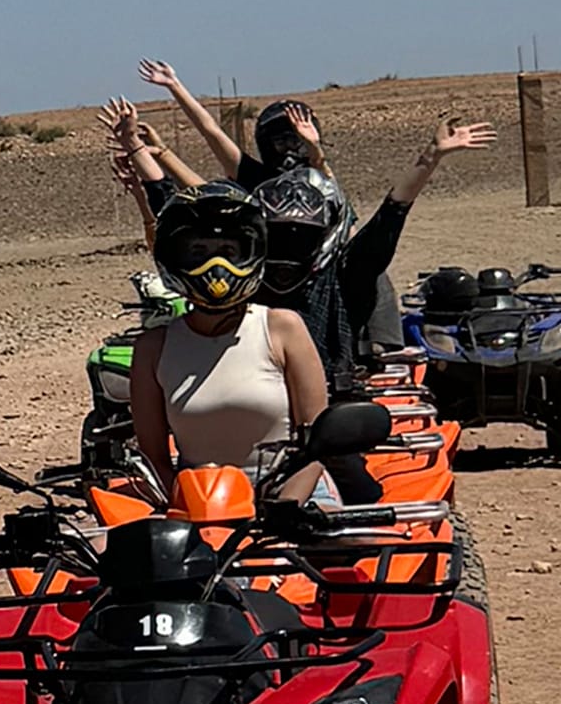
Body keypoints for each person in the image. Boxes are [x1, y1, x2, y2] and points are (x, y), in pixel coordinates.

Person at [130, 184, 329, 506]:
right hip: (198, 503)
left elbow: (318, 444)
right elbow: (154, 457)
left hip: (292, 496)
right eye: (199, 253)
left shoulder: (282, 328)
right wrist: (188, 507)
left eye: (229, 251)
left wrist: (283, 509)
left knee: (340, 555)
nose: (216, 266)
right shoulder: (153, 348)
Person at [259, 117, 496, 387]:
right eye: (279, 232)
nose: (290, 242)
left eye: (302, 233)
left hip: (332, 399)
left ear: (327, 229)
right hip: (258, 397)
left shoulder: (345, 274)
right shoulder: (248, 276)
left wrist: (431, 155)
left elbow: (392, 211)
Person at [139, 60, 337, 193]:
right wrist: (174, 85)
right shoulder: (257, 178)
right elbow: (211, 131)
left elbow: (344, 220)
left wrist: (313, 147)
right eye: (281, 142)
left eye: (296, 141)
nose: (290, 150)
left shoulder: (320, 182)